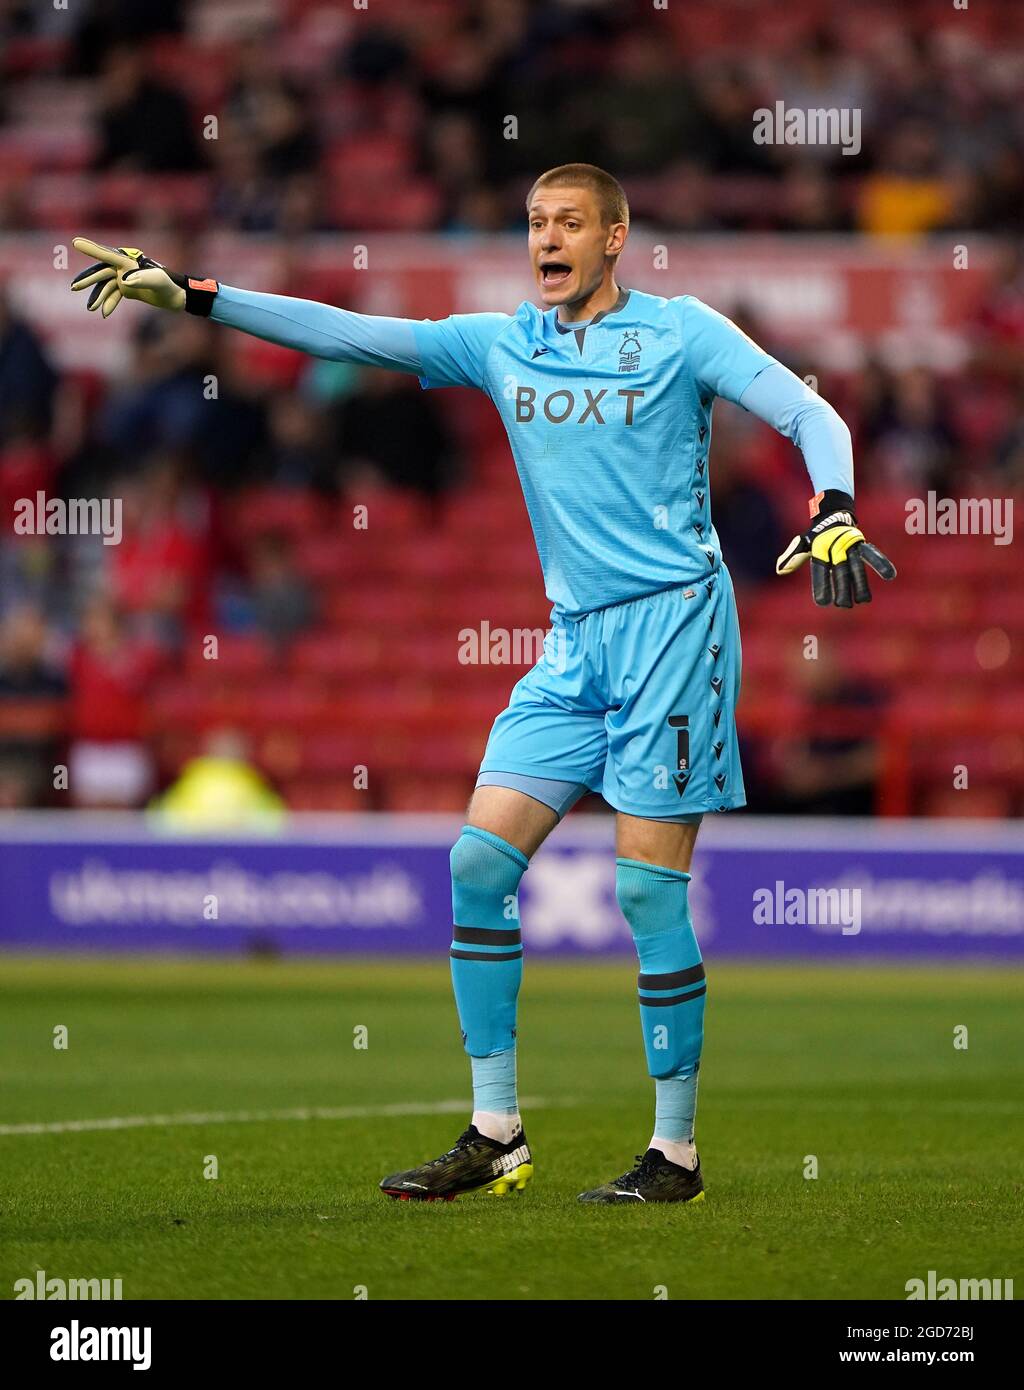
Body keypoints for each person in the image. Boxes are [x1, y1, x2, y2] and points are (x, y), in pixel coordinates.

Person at [69, 163, 895, 1205]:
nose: (546, 238)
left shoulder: (683, 331)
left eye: (568, 223)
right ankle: (495, 1130)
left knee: (642, 886)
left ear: (615, 236)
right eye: (534, 221)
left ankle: (673, 1153)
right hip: (572, 644)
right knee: (473, 866)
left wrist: (832, 504)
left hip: (676, 631)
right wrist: (193, 294)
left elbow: (812, 414)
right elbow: (347, 334)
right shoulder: (503, 342)